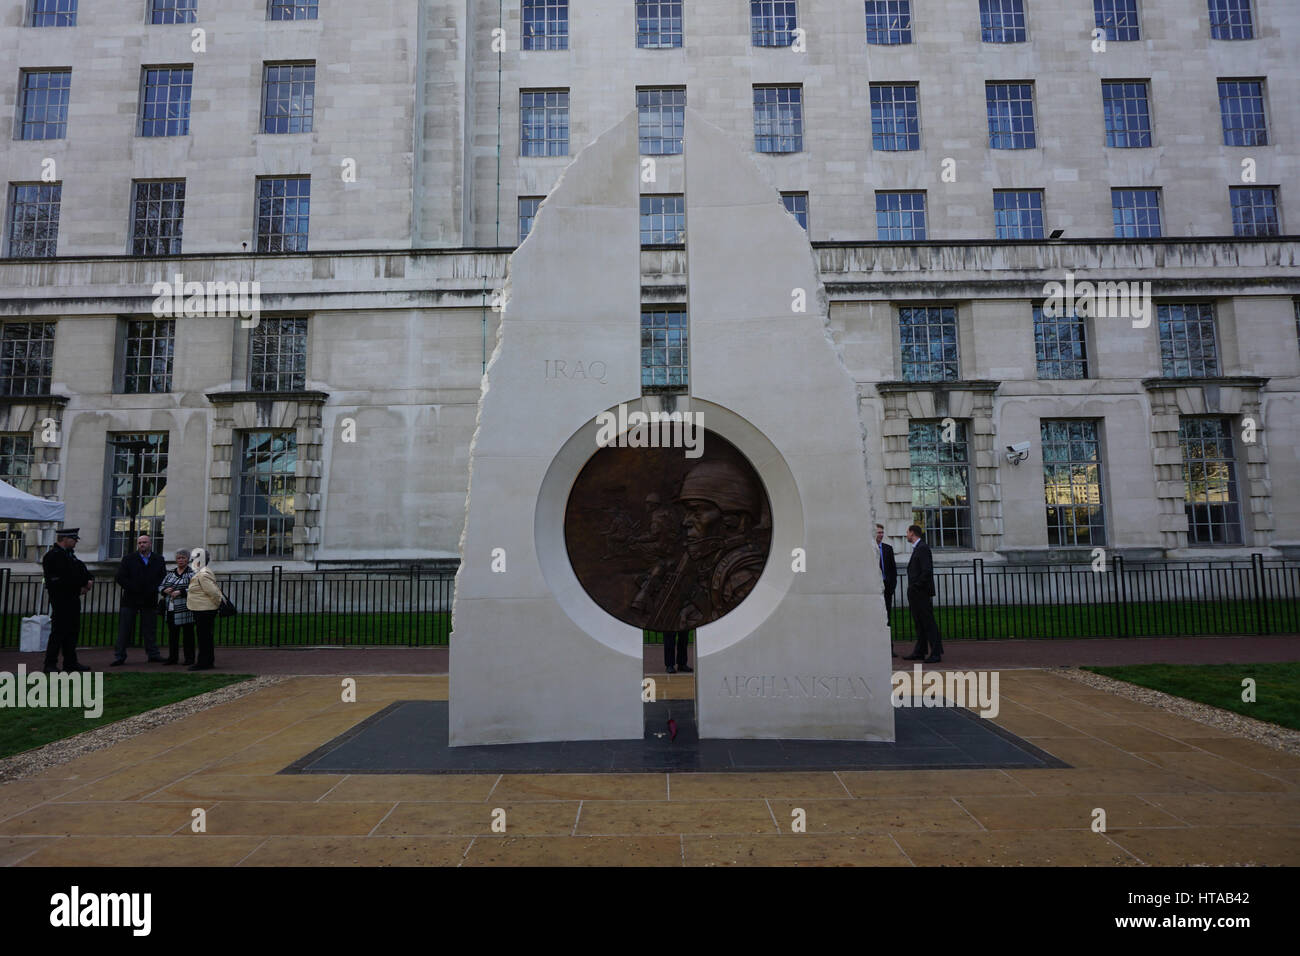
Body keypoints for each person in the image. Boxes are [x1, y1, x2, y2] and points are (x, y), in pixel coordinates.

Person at [40, 528, 93, 674]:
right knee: (58, 632)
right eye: (74, 539)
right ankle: (50, 663)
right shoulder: (54, 556)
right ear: (65, 539)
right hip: (61, 599)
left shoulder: (70, 556)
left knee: (72, 632)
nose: (75, 542)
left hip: (72, 599)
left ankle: (70, 662)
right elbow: (65, 578)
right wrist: (81, 585)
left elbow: (82, 571)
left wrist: (88, 580)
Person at [112, 534, 168, 665]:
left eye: (144, 542)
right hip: (131, 598)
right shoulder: (128, 559)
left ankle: (153, 654)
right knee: (124, 628)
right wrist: (134, 588)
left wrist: (153, 588)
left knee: (150, 628)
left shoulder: (158, 559)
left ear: (150, 544)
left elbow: (162, 577)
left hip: (149, 598)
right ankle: (120, 655)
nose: (142, 545)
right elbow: (120, 577)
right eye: (140, 543)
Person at [902, 524, 942, 664]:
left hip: (921, 592)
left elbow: (926, 570)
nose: (906, 534)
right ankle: (920, 650)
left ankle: (936, 652)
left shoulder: (923, 548)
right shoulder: (919, 548)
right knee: (919, 623)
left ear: (912, 533)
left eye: (907, 532)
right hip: (916, 592)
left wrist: (916, 586)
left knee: (928, 623)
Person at [185, 547, 223, 671]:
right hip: (201, 608)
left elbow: (213, 592)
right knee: (205, 636)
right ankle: (206, 661)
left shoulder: (203, 574)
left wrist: (217, 604)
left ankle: (204, 662)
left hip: (204, 610)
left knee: (204, 637)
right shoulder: (201, 572)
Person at [159, 548, 197, 665]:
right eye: (178, 558)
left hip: (186, 609)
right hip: (171, 608)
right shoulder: (170, 573)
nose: (180, 560)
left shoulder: (192, 574)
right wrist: (165, 590)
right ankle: (172, 657)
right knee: (173, 635)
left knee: (188, 635)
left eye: (183, 558)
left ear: (188, 559)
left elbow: (195, 588)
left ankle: (189, 658)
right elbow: (160, 586)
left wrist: (181, 592)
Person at [875, 523, 898, 657]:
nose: (881, 535)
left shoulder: (888, 549)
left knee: (887, 619)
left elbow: (893, 570)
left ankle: (889, 648)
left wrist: (892, 586)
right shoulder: (870, 549)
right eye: (878, 532)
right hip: (875, 589)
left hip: (887, 589)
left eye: (882, 532)